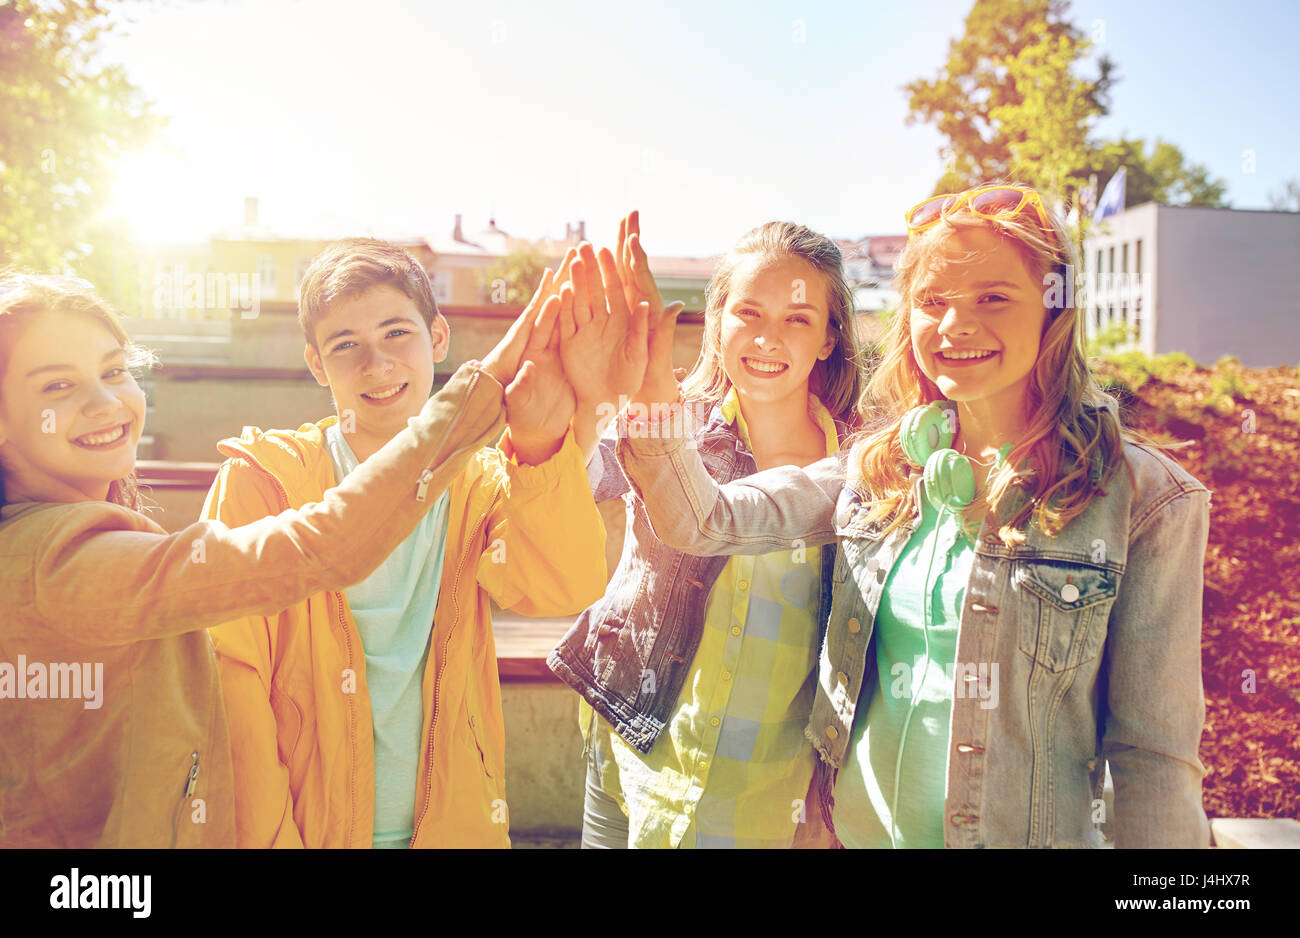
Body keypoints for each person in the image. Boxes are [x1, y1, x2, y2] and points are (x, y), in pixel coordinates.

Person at [612, 185, 1212, 848]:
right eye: (933, 302)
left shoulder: (1146, 500)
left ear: (1054, 312)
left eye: (993, 298)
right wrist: (651, 392)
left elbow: (1153, 763)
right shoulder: (878, 468)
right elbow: (704, 521)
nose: (955, 325)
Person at [0, 269, 562, 847]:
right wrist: (480, 395)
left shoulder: (64, 542)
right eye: (56, 387)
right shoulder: (54, 563)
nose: (104, 401)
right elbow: (325, 545)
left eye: (115, 371)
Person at [202, 240, 608, 848]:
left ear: (438, 338)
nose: (377, 364)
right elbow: (228, 676)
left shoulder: (479, 479)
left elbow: (563, 585)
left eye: (397, 333)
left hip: (451, 827)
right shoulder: (263, 480)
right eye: (346, 346)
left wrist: (545, 441)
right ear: (317, 365)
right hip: (306, 831)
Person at [547, 213, 865, 848]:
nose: (768, 338)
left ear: (829, 338)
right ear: (717, 321)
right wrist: (588, 400)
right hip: (634, 741)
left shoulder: (864, 462)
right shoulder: (672, 418)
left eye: (798, 318)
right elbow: (579, 478)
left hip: (768, 783)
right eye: (748, 312)